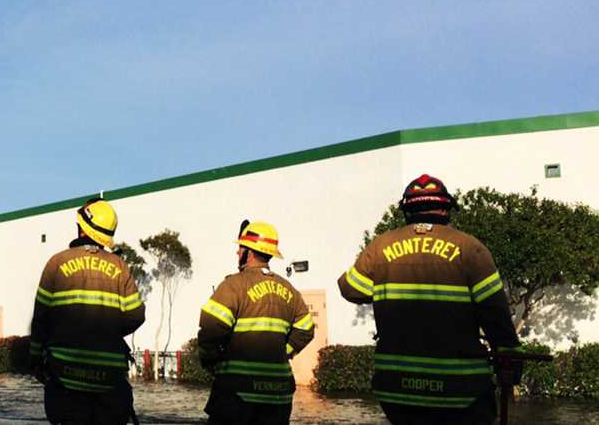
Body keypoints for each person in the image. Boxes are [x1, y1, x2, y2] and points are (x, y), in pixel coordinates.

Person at [338, 174, 520, 424]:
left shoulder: (380, 247)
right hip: (461, 389)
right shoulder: (470, 248)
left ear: (406, 211)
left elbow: (350, 289)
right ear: (446, 209)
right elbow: (495, 313)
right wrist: (510, 357)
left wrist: (387, 288)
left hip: (398, 389)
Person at [30, 198, 145, 424]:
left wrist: (35, 358)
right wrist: (108, 328)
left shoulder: (57, 263)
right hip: (109, 380)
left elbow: (40, 318)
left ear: (82, 227)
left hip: (65, 378)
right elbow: (136, 315)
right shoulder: (119, 266)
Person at [196, 221, 315, 424]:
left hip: (237, 395)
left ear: (249, 253)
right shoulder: (289, 290)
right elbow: (306, 329)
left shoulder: (233, 285)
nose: (237, 253)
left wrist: (211, 361)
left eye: (240, 248)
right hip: (279, 397)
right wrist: (282, 351)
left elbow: (211, 328)